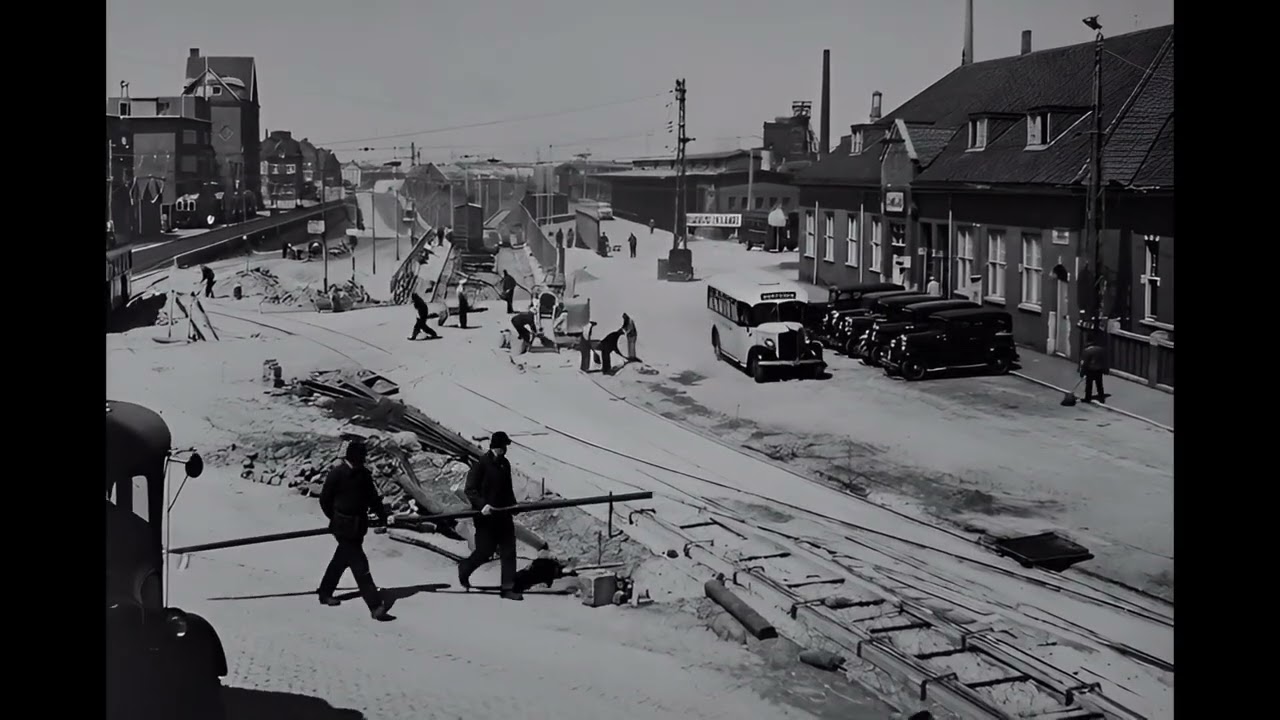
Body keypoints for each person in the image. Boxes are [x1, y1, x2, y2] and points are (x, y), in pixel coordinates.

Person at [317, 439, 397, 621]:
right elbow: (325, 500)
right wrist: (336, 519)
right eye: (360, 458)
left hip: (358, 525)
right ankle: (375, 606)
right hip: (342, 526)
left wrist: (384, 517)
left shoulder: (363, 475)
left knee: (340, 560)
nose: (362, 461)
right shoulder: (336, 474)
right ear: (352, 457)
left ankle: (325, 592)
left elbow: (373, 499)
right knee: (360, 566)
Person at [457, 432, 523, 601]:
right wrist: (482, 505)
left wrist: (513, 505)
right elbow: (470, 489)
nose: (505, 449)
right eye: (503, 447)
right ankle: (465, 568)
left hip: (503, 515)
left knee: (509, 551)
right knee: (484, 551)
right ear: (496, 447)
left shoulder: (505, 464)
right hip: (486, 517)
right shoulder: (481, 465)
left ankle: (508, 588)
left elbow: (507, 488)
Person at [1079, 335, 1110, 404]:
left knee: (1089, 385)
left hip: (1090, 370)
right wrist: (1106, 369)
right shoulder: (1100, 349)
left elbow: (1085, 363)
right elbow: (1104, 360)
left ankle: (1087, 398)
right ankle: (1101, 398)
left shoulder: (1087, 351)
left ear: (1088, 343)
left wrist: (1082, 373)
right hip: (1099, 370)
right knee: (1099, 384)